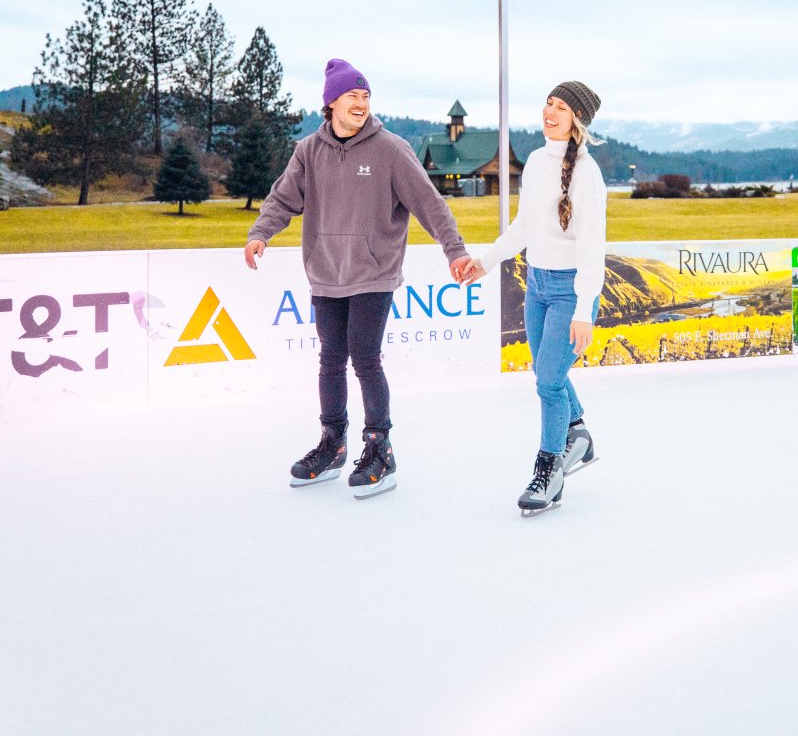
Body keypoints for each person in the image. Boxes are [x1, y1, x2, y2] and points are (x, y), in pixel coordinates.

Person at [244, 59, 472, 498]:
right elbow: (282, 198)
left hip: (374, 271)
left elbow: (430, 203)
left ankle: (379, 449)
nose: (361, 104)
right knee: (331, 358)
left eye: (366, 97)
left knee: (365, 358)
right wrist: (260, 234)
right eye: (353, 96)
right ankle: (332, 444)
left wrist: (455, 250)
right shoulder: (308, 151)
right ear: (331, 102)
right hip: (327, 270)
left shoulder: (390, 149)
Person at [464, 81, 607, 516]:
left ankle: (549, 472)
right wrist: (486, 262)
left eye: (561, 107)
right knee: (549, 373)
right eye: (548, 102)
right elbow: (524, 227)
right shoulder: (534, 165)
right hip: (538, 285)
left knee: (547, 381)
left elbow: (590, 249)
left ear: (577, 120)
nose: (550, 111)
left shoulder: (588, 175)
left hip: (570, 291)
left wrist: (584, 311)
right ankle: (577, 433)